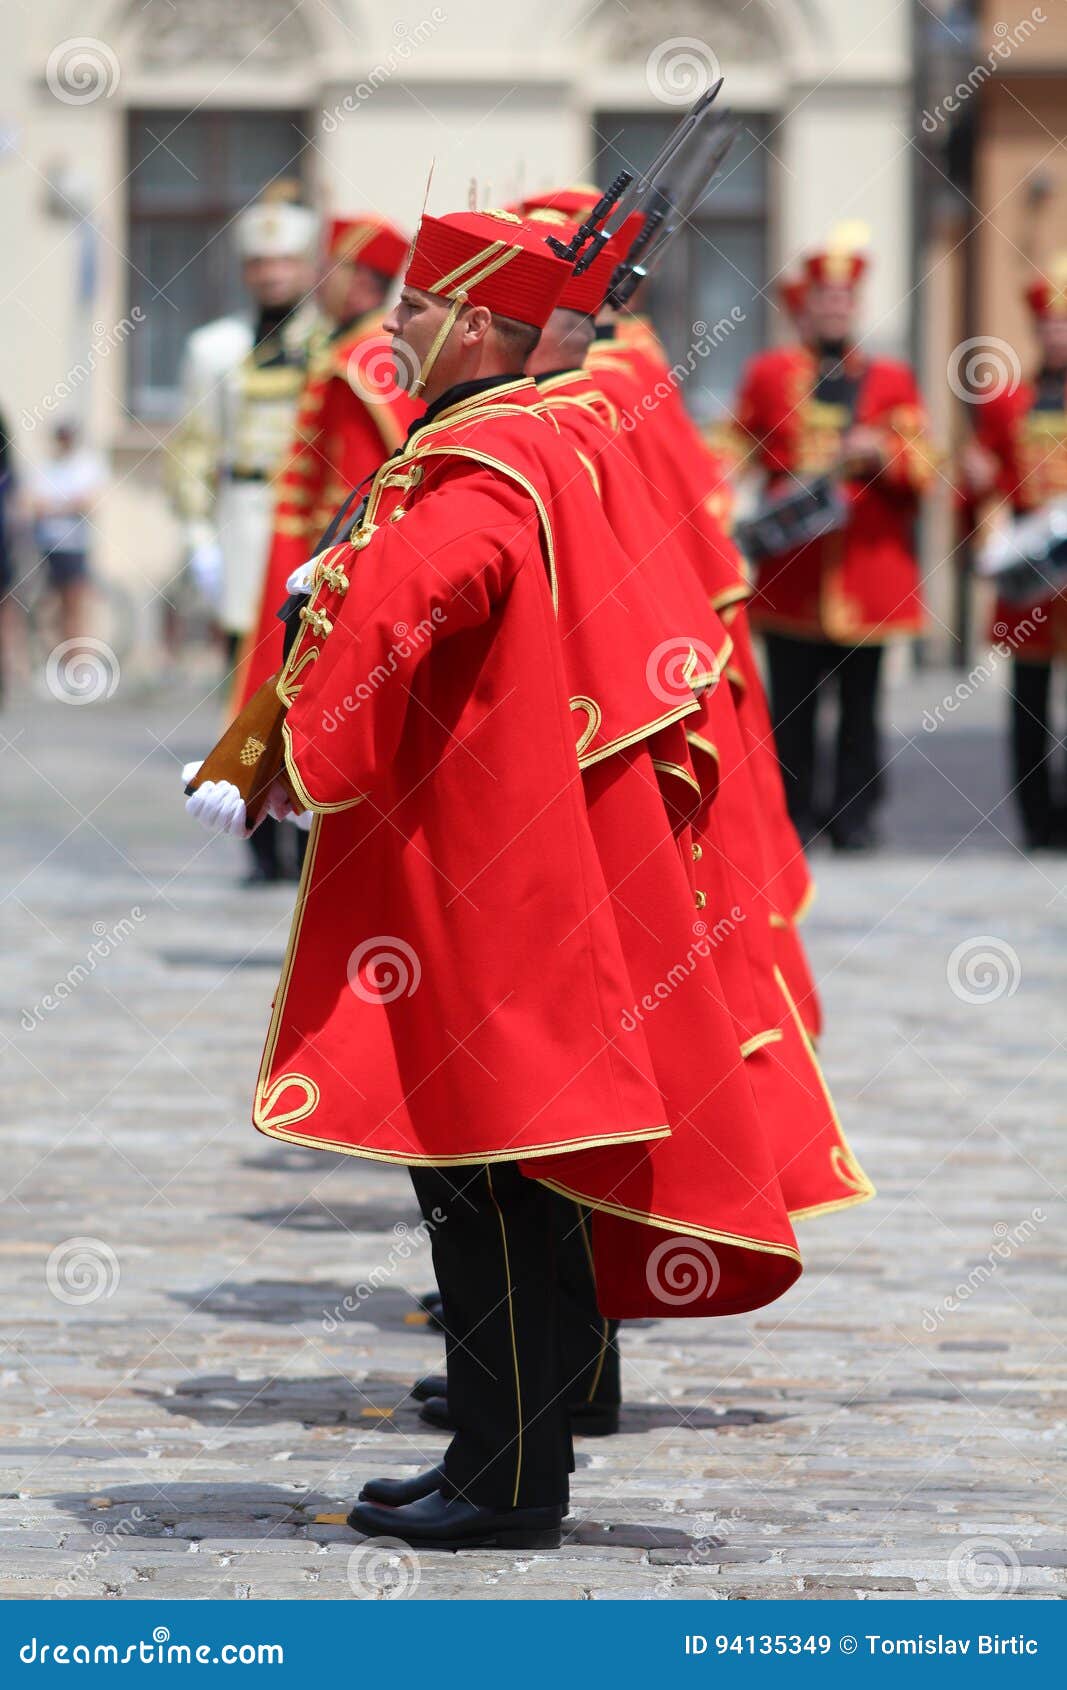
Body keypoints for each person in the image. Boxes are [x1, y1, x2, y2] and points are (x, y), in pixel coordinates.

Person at [186, 205, 820, 1549]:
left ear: (475, 323)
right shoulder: (516, 435)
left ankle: (509, 1473)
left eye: (415, 307)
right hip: (502, 849)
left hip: (479, 859)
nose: (392, 325)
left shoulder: (483, 459)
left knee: (484, 1170)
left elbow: (438, 584)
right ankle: (499, 1445)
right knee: (491, 1173)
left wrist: (328, 667)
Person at [731, 227, 935, 852]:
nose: (834, 309)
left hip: (866, 574)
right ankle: (791, 817)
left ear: (856, 306)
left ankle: (854, 818)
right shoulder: (768, 374)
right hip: (793, 572)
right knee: (790, 711)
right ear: (805, 303)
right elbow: (735, 447)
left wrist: (882, 450)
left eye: (844, 300)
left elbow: (924, 465)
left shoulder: (893, 379)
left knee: (860, 711)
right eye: (824, 298)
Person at [170, 186, 318, 882]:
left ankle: (308, 828)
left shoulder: (329, 344)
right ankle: (254, 833)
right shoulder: (215, 349)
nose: (272, 274)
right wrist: (198, 535)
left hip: (309, 531)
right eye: (260, 263)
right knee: (249, 686)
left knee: (313, 682)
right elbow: (194, 447)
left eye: (284, 260)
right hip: (242, 524)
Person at [234, 215, 417, 712]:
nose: (318, 280)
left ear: (358, 281)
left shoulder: (361, 361)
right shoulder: (342, 350)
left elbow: (355, 487)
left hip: (327, 567)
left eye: (330, 268)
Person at [958, 258, 1067, 850]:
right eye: (1050, 324)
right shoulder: (1010, 403)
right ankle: (1037, 821)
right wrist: (974, 481)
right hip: (1031, 573)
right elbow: (979, 482)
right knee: (1028, 705)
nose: (1059, 334)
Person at [25, 420, 105, 647]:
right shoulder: (46, 467)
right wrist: (66, 505)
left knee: (75, 605)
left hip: (74, 545)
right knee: (52, 607)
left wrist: (55, 507)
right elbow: (35, 505)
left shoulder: (86, 466)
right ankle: (58, 660)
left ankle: (76, 662)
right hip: (49, 545)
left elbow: (87, 503)